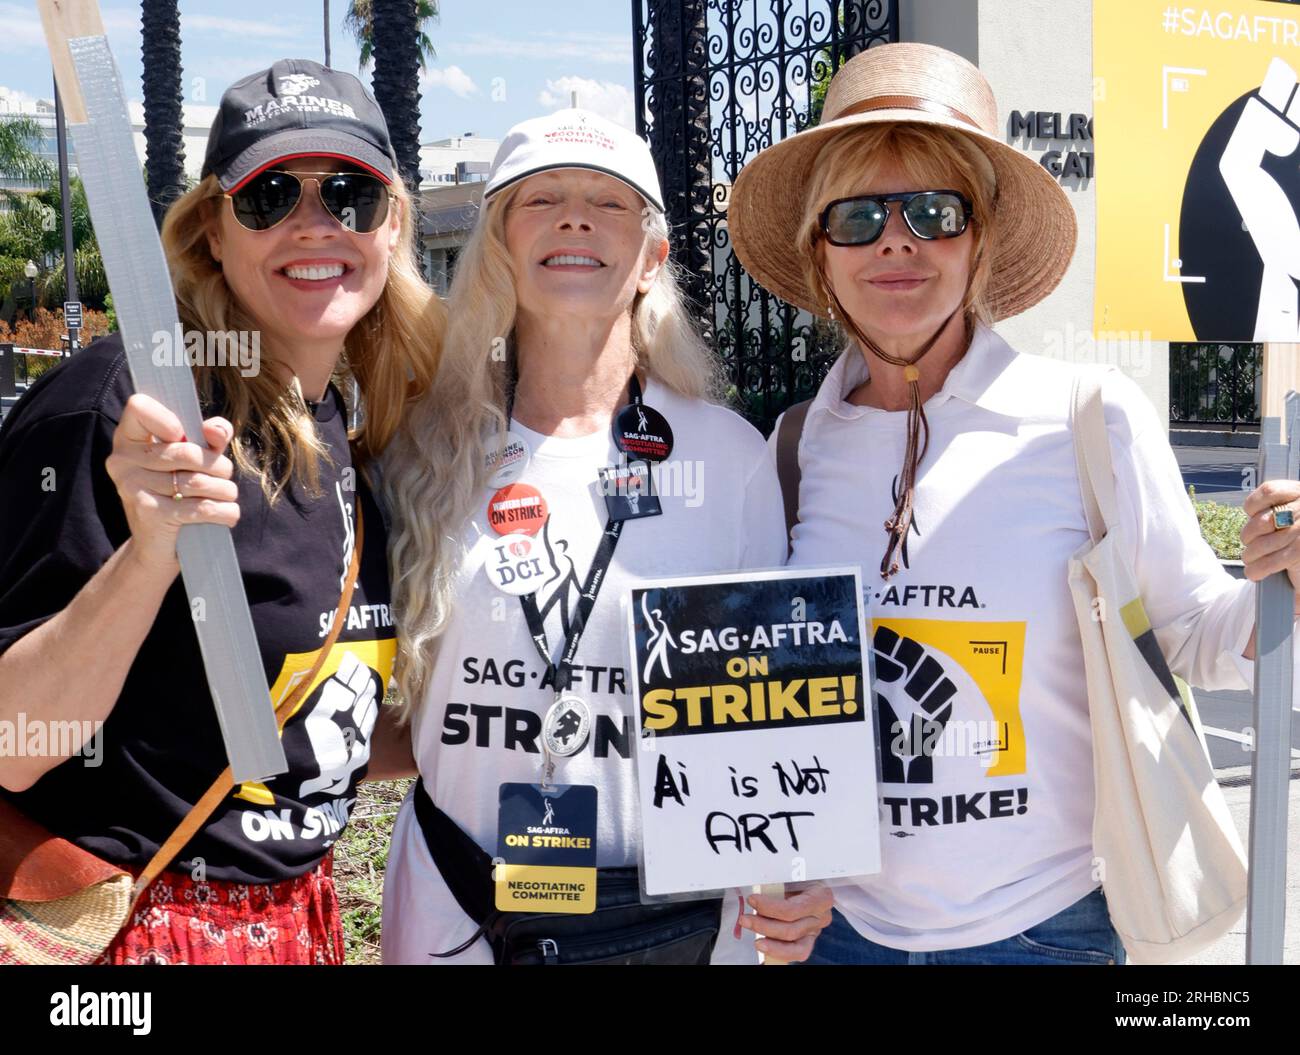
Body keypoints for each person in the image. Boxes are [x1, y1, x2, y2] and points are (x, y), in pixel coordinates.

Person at [728, 41, 1300, 965]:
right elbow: (763, 707)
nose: (897, 240)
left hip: (1044, 935)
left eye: (934, 211)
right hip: (843, 941)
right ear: (818, 251)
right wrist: (776, 877)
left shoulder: (1085, 421)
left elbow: (1195, 633)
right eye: (859, 215)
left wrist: (1288, 583)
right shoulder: (792, 449)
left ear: (981, 238)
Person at [0, 59, 439, 965]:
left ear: (392, 224)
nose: (314, 224)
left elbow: (315, 732)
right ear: (211, 231)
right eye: (269, 194)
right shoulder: (126, 408)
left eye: (349, 194)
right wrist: (149, 551)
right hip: (133, 938)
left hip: (295, 924)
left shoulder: (351, 428)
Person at [378, 108, 833, 964]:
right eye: (540, 198)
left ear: (653, 257)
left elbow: (772, 713)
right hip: (454, 910)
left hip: (677, 924)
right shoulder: (425, 446)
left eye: (609, 202)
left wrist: (799, 871)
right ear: (500, 245)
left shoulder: (727, 456)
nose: (575, 217)